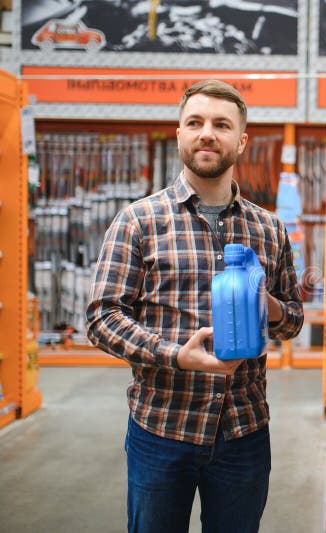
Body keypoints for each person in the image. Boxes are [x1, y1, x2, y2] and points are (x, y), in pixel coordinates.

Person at [86, 79, 303, 533]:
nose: (208, 133)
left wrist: (270, 307)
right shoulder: (138, 220)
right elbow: (102, 318)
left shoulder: (269, 229)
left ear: (241, 141)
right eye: (195, 122)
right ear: (180, 133)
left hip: (244, 430)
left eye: (222, 124)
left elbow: (293, 320)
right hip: (163, 428)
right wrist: (176, 356)